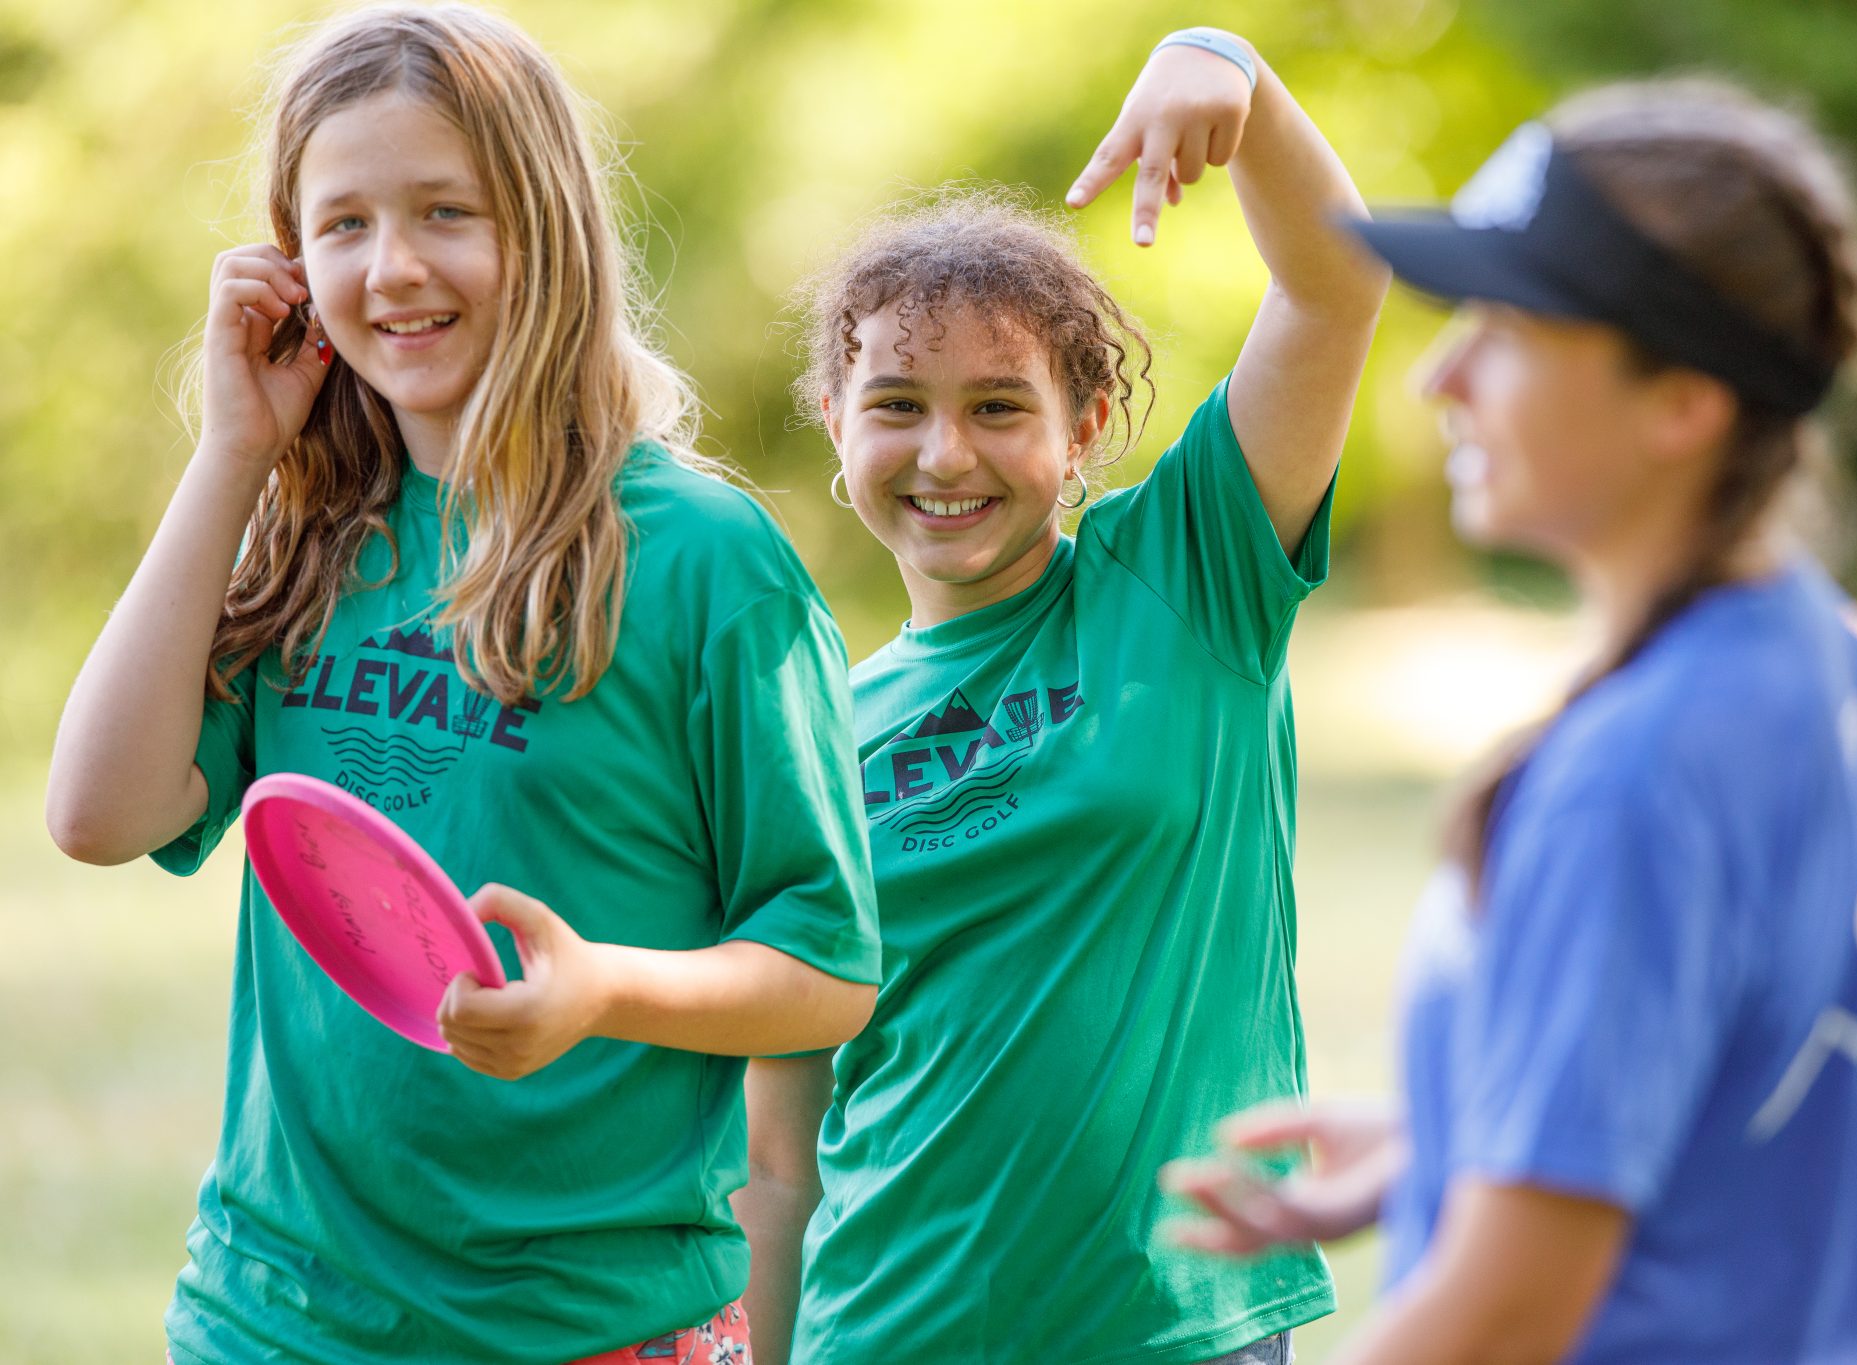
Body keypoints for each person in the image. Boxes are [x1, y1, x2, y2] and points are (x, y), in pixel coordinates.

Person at [42, 7, 879, 1361]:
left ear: (544, 229)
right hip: (273, 1318)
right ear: (291, 264)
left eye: (447, 211)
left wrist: (602, 989)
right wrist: (234, 454)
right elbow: (98, 813)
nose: (393, 267)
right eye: (345, 224)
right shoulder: (310, 528)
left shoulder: (703, 562)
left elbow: (827, 969)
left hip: (587, 1326)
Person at [1164, 78, 1857, 1364]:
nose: (1439, 374)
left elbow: (1497, 1317)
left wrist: (1508, 1205)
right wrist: (1459, 1151)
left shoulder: (1629, 776)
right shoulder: (1840, 671)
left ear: (1682, 403)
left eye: (1506, 325)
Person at [735, 26, 1390, 1365]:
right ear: (834, 415)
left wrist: (1231, 74)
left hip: (1179, 1329)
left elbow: (1334, 285)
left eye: (998, 406)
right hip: (885, 1332)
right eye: (898, 404)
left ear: (1084, 429)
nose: (945, 453)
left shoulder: (1188, 580)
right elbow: (780, 1149)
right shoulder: (807, 731)